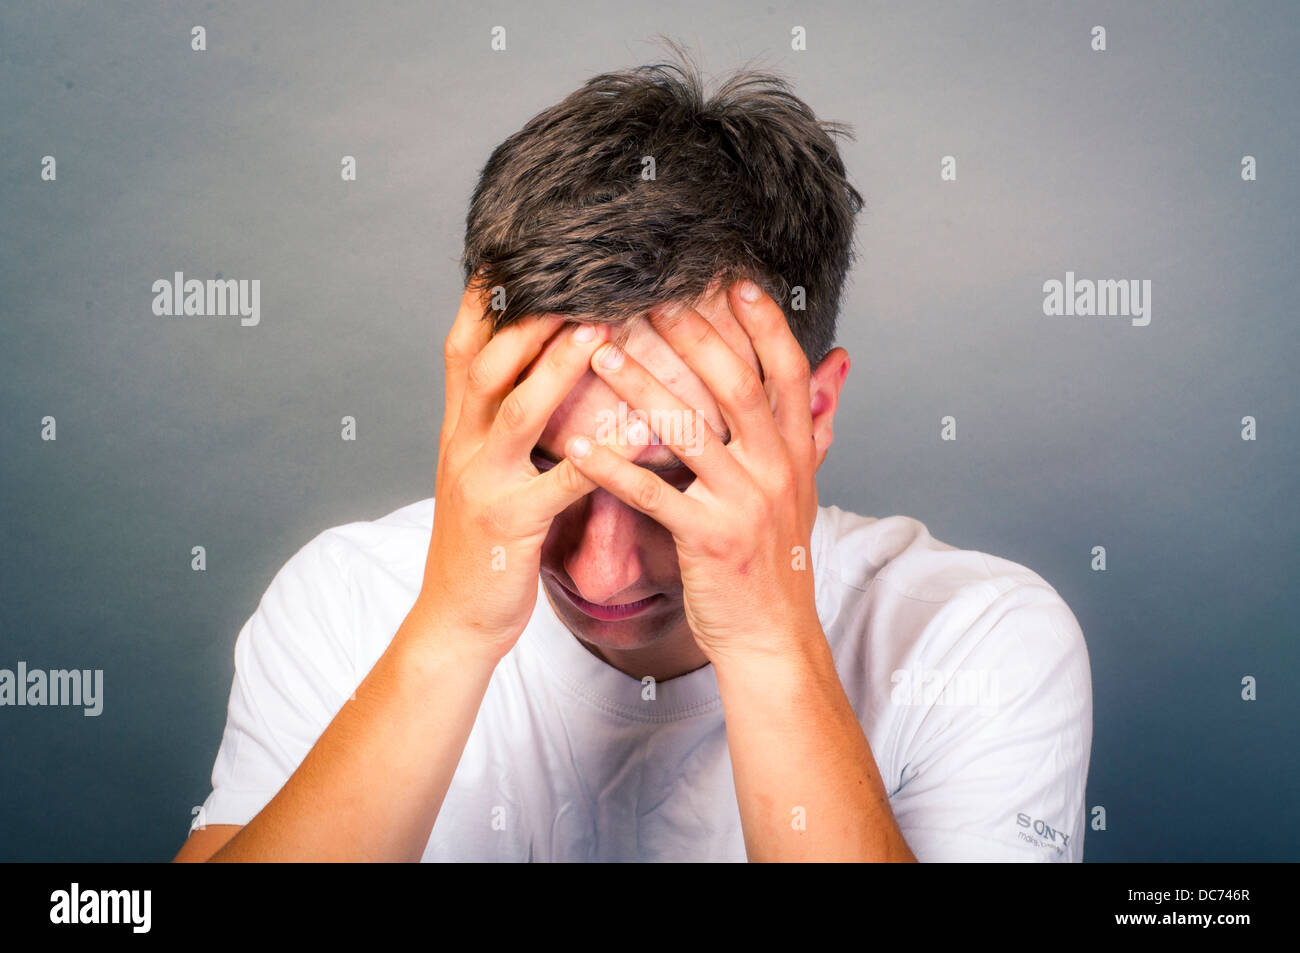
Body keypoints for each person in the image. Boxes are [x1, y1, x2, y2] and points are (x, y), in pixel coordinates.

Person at [174, 57, 1091, 863]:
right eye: (547, 462)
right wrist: (451, 630)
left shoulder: (976, 639)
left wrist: (771, 642)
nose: (599, 568)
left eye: (677, 477)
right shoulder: (346, 601)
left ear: (812, 412)